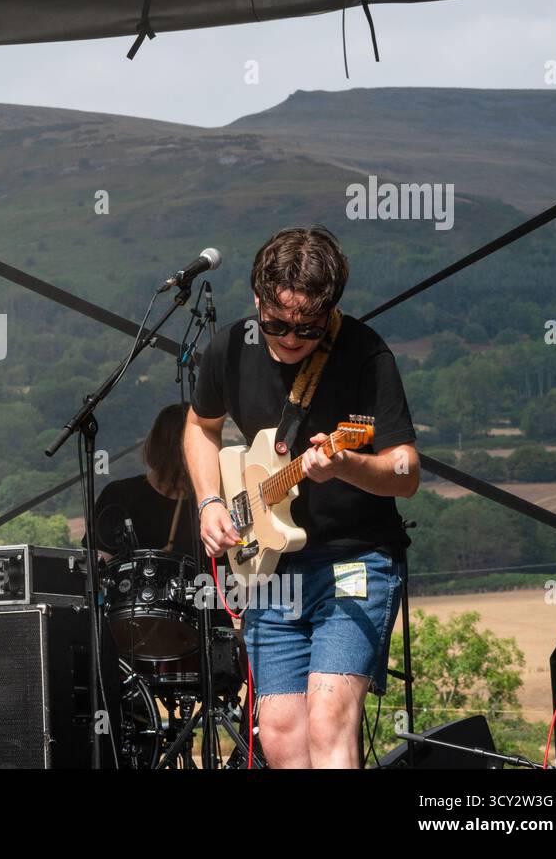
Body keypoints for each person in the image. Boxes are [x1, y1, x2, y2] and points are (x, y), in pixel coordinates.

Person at [183, 225, 419, 768]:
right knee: (281, 736)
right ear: (257, 299)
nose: (290, 338)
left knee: (328, 717)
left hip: (353, 559)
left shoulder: (365, 354)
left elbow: (405, 472)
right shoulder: (231, 348)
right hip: (269, 568)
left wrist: (349, 464)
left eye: (307, 328)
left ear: (329, 309)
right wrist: (210, 501)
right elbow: (200, 425)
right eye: (276, 323)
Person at [90, 404, 198, 565]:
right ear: (164, 450)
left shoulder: (208, 507)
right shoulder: (118, 495)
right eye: (183, 455)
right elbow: (98, 558)